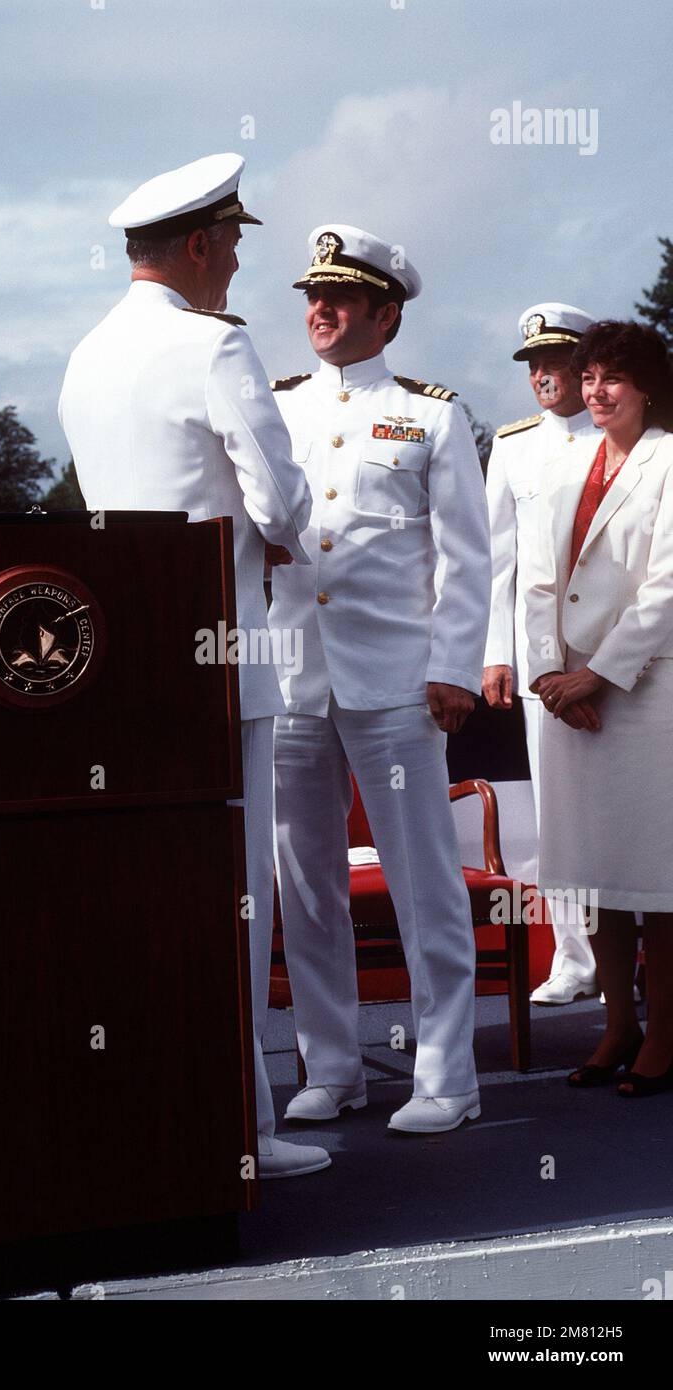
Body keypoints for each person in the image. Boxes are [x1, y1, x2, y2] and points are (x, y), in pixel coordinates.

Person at [58, 154, 329, 1176]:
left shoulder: (84, 355)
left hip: (124, 662)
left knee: (150, 889)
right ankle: (238, 1126)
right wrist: (289, 537)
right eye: (233, 247)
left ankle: (167, 1111)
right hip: (225, 653)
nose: (233, 269)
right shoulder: (213, 346)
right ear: (203, 247)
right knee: (230, 887)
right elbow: (278, 496)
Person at [268, 224, 491, 1133]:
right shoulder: (274, 406)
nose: (319, 311)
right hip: (290, 676)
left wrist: (453, 668)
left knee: (422, 882)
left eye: (341, 299)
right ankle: (332, 1064)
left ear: (385, 314)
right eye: (313, 298)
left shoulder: (431, 415)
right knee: (305, 884)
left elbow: (469, 560)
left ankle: (447, 1076)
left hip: (397, 679)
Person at [525, 319, 673, 1097]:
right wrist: (552, 673)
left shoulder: (671, 460)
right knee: (600, 874)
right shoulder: (569, 460)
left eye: (613, 377)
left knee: (657, 877)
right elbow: (537, 578)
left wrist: (601, 676)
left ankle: (667, 1036)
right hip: (571, 698)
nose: (596, 391)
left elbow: (667, 592)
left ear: (649, 386)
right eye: (589, 377)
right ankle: (619, 1026)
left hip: (647, 693)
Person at [483, 303, 600, 1005]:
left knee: (628, 808)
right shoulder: (514, 445)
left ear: (584, 366)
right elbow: (499, 561)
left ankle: (633, 958)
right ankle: (575, 960)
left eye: (554, 361)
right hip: (542, 660)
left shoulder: (625, 438)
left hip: (620, 660)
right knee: (555, 811)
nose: (542, 376)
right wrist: (497, 654)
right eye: (532, 364)